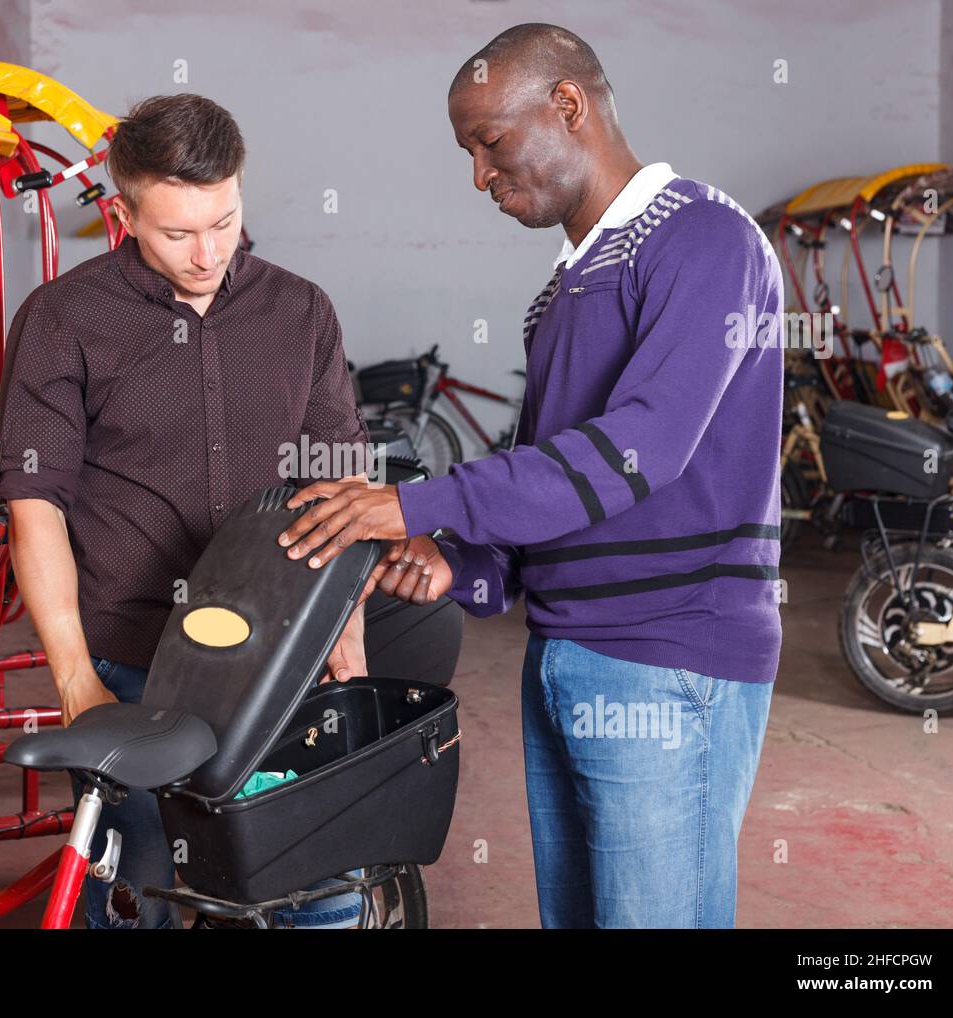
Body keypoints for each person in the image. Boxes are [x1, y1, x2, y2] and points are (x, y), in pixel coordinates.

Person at [278, 24, 782, 929]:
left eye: (490, 142)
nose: (479, 176)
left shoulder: (704, 239)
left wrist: (408, 501)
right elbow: (555, 480)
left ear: (568, 105)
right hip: (567, 656)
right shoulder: (559, 294)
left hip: (668, 656)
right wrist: (462, 563)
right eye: (468, 152)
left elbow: (641, 449)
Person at [0, 94, 370, 928]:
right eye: (177, 233)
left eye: (225, 222)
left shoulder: (300, 311)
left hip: (280, 657)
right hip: (132, 664)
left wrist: (345, 633)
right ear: (122, 212)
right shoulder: (64, 319)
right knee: (142, 902)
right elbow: (36, 503)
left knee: (317, 893)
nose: (207, 254)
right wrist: (75, 679)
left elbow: (341, 484)